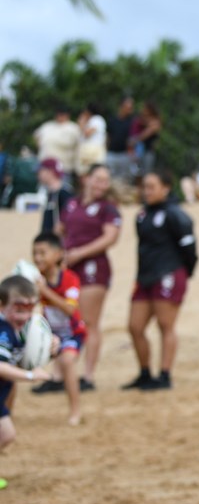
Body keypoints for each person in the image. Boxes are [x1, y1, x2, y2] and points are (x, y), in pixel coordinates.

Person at [123, 170, 198, 392]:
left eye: (151, 187)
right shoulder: (142, 215)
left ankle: (165, 375)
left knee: (165, 325)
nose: (146, 191)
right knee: (135, 326)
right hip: (145, 276)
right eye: (144, 187)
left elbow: (189, 248)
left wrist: (183, 272)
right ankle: (145, 373)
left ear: (165, 188)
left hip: (168, 274)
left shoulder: (175, 214)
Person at [59, 163, 122, 391]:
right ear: (86, 179)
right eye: (98, 179)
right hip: (69, 267)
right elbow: (60, 229)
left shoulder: (108, 208)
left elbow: (110, 238)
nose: (101, 185)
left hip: (94, 268)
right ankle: (60, 374)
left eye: (105, 181)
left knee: (89, 321)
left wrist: (80, 253)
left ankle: (88, 375)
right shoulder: (72, 203)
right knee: (65, 320)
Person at [0, 275, 55, 485]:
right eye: (19, 309)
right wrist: (31, 376)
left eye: (30, 309)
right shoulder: (3, 331)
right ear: (1, 305)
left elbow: (23, 360)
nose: (25, 316)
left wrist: (49, 349)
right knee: (6, 433)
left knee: (6, 435)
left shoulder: (21, 329)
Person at [29, 233, 87, 426]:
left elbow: (70, 309)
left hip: (72, 333)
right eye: (35, 253)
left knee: (67, 361)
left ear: (58, 254)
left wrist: (44, 291)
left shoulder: (70, 278)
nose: (38, 258)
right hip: (49, 335)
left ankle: (75, 411)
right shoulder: (35, 280)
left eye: (42, 253)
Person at [33, 104, 81, 184]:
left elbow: (78, 146)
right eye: (58, 114)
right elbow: (37, 136)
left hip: (63, 168)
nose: (60, 116)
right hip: (44, 167)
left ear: (67, 115)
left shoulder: (73, 128)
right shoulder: (48, 126)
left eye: (62, 114)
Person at [37, 158, 72, 236]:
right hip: (48, 240)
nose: (38, 174)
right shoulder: (51, 193)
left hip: (57, 240)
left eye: (40, 171)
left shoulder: (64, 193)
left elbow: (69, 218)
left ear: (50, 172)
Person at [106, 95, 137, 183]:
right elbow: (108, 137)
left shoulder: (132, 121)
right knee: (109, 178)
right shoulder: (112, 120)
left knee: (124, 180)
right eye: (128, 106)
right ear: (121, 106)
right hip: (112, 153)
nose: (130, 109)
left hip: (125, 154)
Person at [130, 101, 162, 177]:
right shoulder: (142, 120)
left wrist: (134, 141)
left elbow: (145, 135)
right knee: (137, 173)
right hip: (139, 151)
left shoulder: (155, 121)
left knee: (146, 173)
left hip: (148, 152)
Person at [76, 102, 107, 175]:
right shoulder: (92, 120)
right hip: (89, 150)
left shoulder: (97, 119)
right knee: (85, 173)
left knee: (92, 172)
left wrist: (82, 122)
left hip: (93, 151)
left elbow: (87, 133)